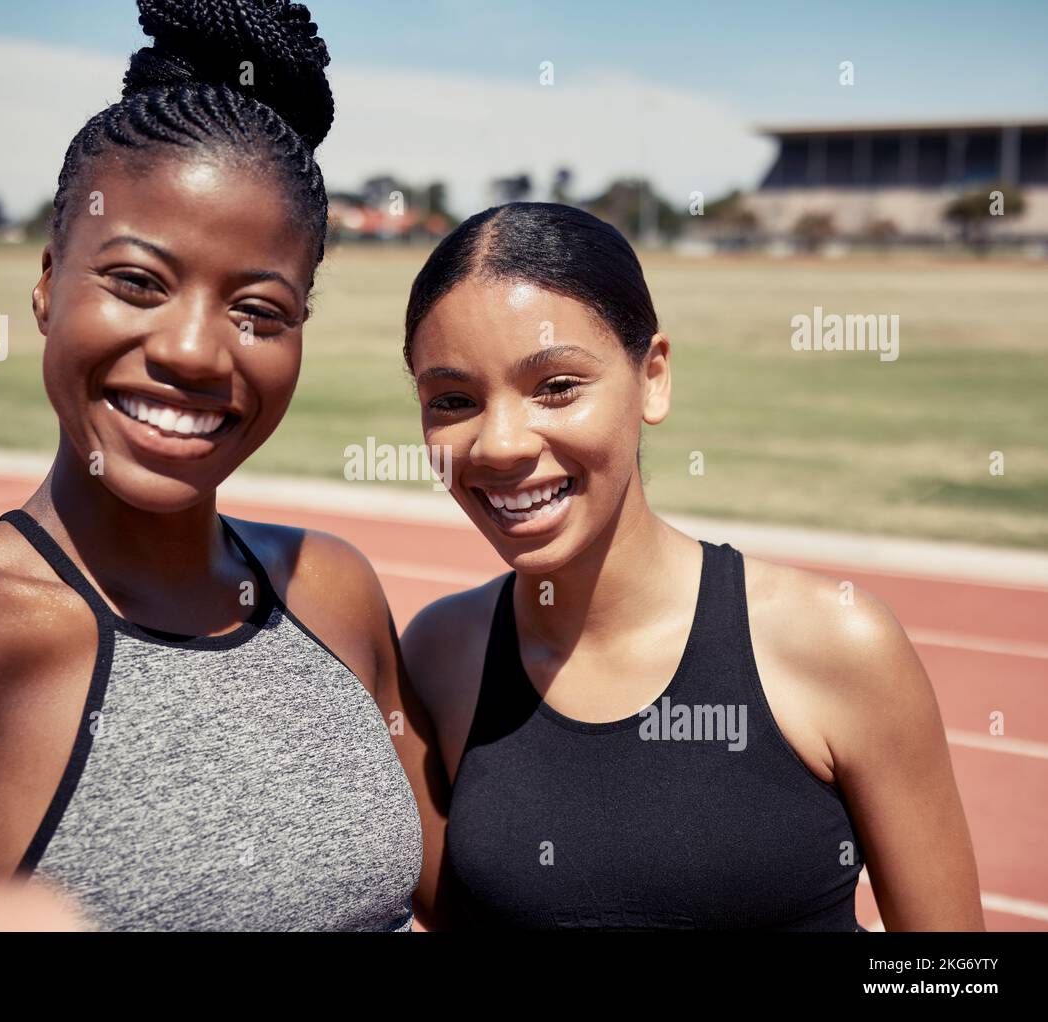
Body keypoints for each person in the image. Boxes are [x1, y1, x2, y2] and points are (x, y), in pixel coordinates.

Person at [0, 0, 449, 932]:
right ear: (46, 284)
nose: (198, 351)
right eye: (137, 283)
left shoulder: (334, 590)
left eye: (259, 310)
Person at [399, 202, 984, 930]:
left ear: (653, 377)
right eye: (453, 400)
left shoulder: (836, 642)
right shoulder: (439, 655)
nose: (502, 444)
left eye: (556, 386)